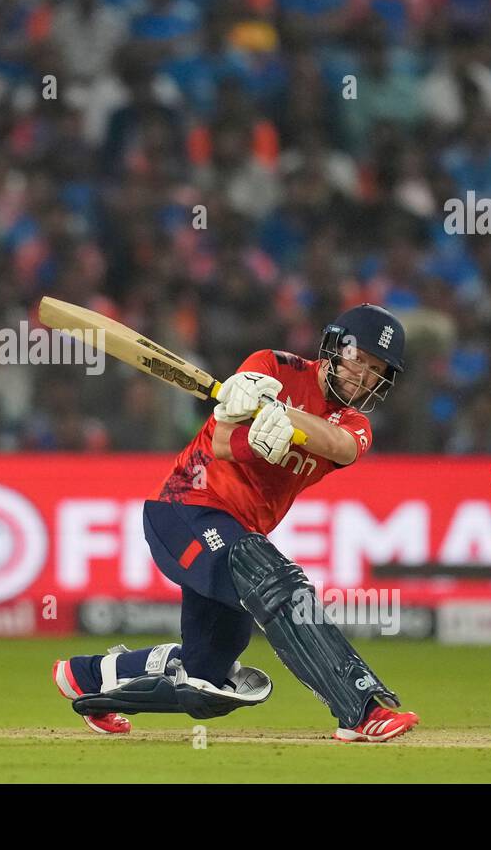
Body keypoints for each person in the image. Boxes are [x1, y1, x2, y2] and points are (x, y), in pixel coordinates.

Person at [53, 304, 421, 742]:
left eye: (376, 371)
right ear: (336, 348)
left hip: (236, 535)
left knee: (207, 681)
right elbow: (224, 442)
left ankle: (88, 676)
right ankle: (361, 711)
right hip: (186, 509)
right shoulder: (272, 367)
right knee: (281, 586)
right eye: (359, 359)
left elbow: (337, 444)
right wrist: (254, 406)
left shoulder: (356, 425)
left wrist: (283, 415)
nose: (363, 376)